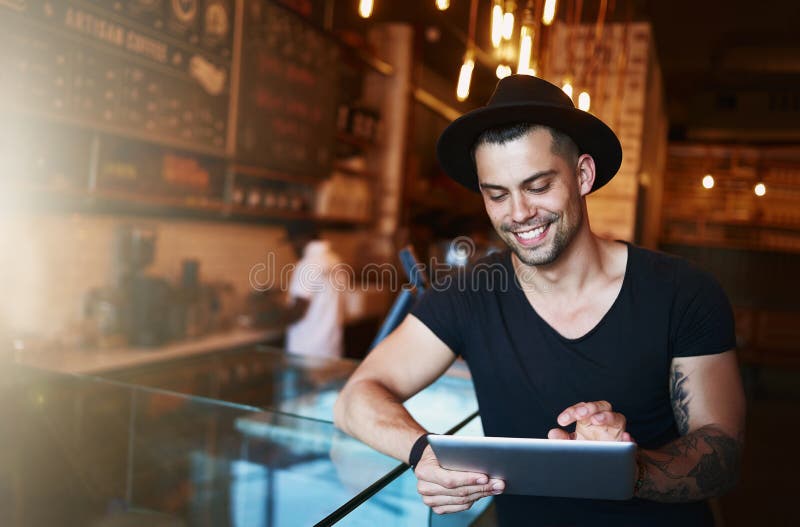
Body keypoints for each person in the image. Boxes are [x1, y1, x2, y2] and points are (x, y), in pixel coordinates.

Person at [333, 75, 745, 526]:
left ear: (582, 175)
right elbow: (356, 397)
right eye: (497, 195)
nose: (519, 214)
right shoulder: (471, 293)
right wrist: (424, 454)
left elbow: (722, 450)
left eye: (537, 186)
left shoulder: (683, 292)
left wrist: (628, 469)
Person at [284, 220, 345, 358]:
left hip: (305, 353)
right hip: (330, 350)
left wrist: (269, 315)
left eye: (292, 242)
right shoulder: (334, 260)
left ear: (302, 239)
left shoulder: (308, 264)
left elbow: (298, 311)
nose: (292, 248)